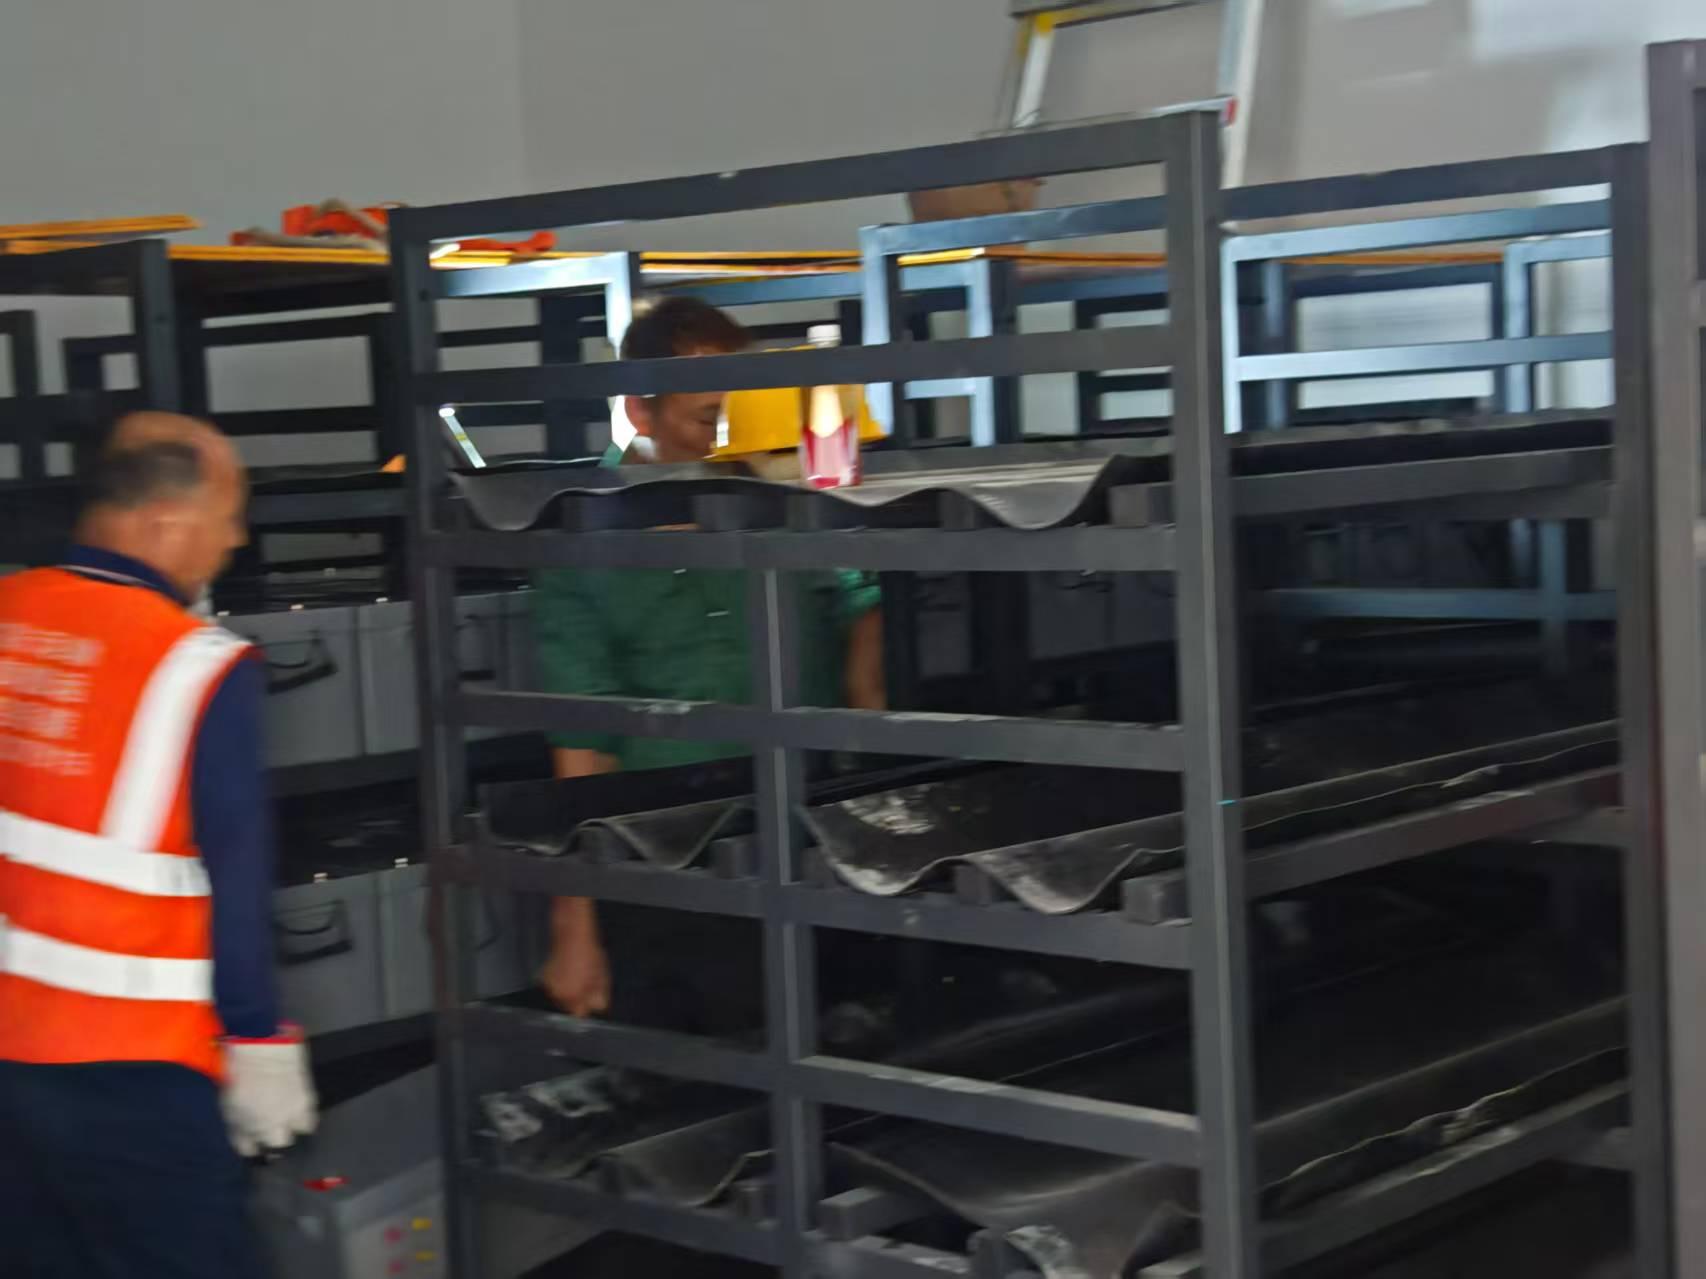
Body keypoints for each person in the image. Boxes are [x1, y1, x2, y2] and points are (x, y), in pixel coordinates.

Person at [0, 412, 316, 1278]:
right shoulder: (198, 666)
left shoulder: (10, 612)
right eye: (229, 515)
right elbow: (238, 884)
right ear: (166, 518)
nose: (234, 540)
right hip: (137, 1072)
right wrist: (259, 1043)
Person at [533, 297, 884, 1017]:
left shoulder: (776, 497)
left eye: (736, 413)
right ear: (640, 413)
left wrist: (866, 740)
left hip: (804, 827)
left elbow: (857, 596)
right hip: (669, 854)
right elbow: (582, 744)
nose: (727, 438)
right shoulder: (582, 542)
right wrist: (575, 924)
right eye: (706, 419)